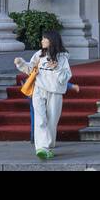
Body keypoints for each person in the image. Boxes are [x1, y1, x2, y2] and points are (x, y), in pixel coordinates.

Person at [18, 29, 74, 160]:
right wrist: (21, 63)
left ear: (52, 40)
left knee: (52, 120)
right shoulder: (39, 54)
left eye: (44, 39)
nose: (41, 41)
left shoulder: (62, 57)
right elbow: (30, 69)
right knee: (40, 119)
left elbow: (65, 77)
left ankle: (49, 143)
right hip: (38, 90)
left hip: (55, 92)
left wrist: (56, 68)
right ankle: (42, 148)